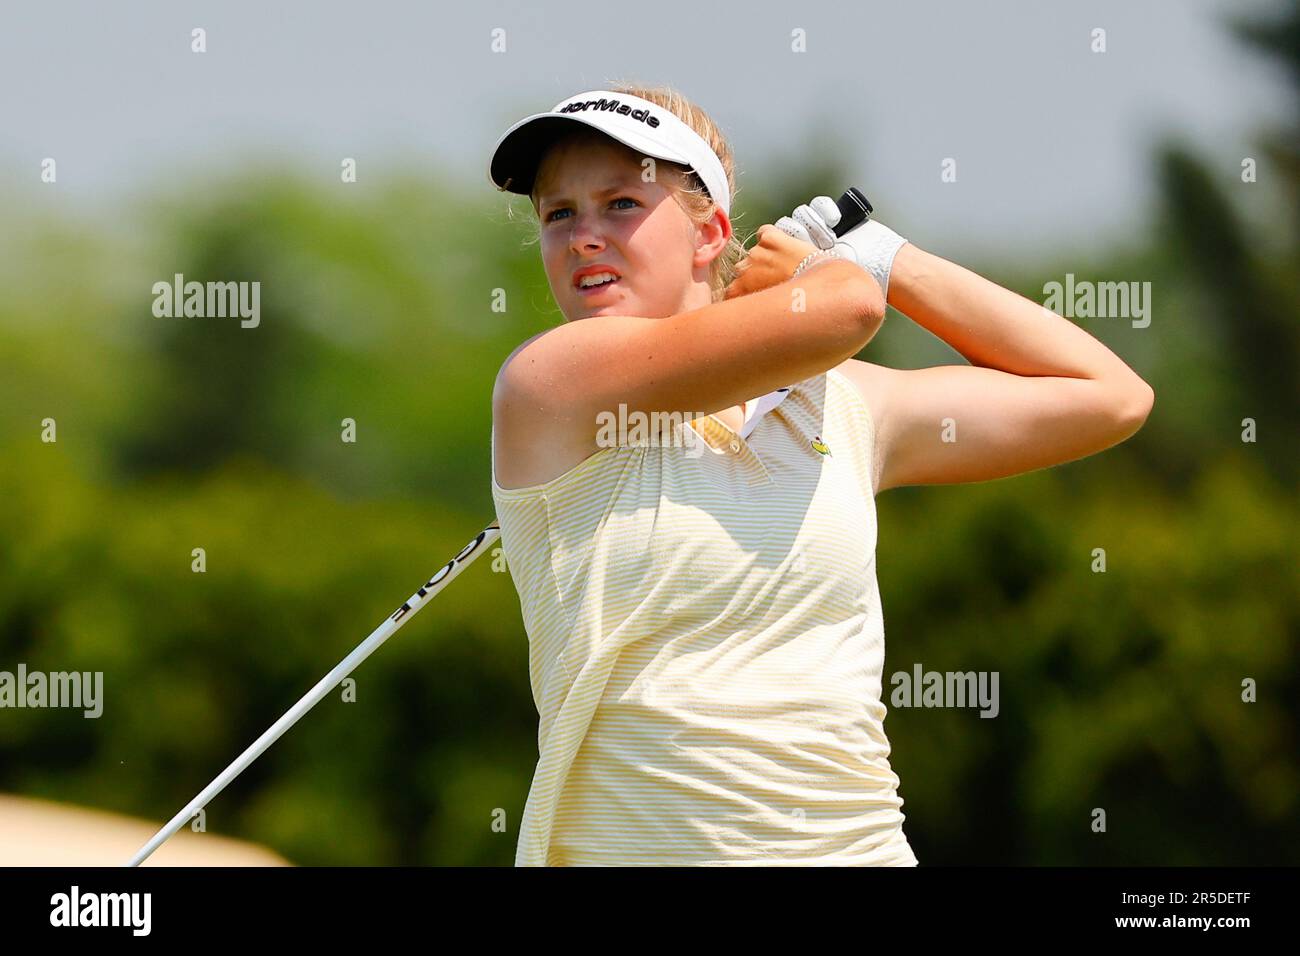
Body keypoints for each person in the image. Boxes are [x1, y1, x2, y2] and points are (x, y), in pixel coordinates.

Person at [487, 84, 1154, 866]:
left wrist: (886, 256)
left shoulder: (845, 408)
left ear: (711, 235)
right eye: (558, 213)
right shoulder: (549, 383)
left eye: (621, 203)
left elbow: (1108, 396)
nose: (584, 236)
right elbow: (846, 312)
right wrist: (834, 273)